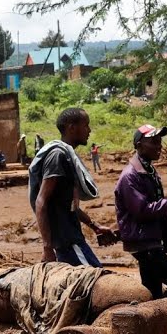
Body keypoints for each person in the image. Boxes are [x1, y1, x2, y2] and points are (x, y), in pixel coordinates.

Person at [114, 124, 167, 299]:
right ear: (139, 145)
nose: (159, 146)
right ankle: (163, 314)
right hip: (144, 244)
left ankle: (154, 314)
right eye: (153, 142)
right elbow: (144, 211)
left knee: (153, 294)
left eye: (159, 141)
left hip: (149, 242)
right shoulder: (131, 176)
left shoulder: (148, 171)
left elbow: (160, 211)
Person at [28, 107, 117, 266]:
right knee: (95, 277)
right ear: (72, 127)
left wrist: (95, 226)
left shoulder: (68, 155)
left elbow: (70, 206)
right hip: (67, 242)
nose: (89, 130)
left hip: (72, 240)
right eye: (86, 125)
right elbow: (41, 201)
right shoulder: (58, 156)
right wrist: (47, 247)